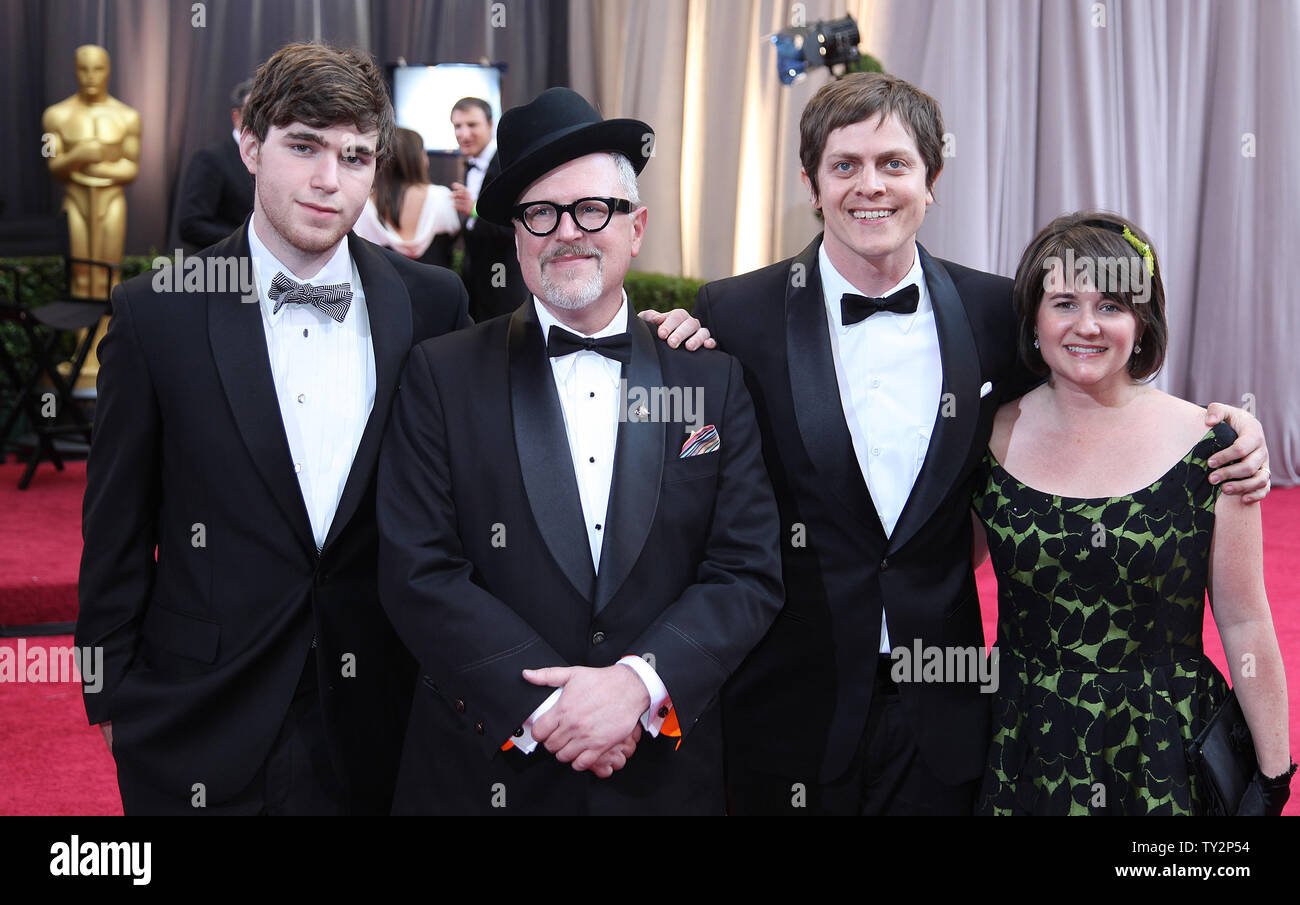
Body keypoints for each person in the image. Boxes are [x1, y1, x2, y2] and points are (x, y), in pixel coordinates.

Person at [689, 72, 1272, 815]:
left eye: (894, 164)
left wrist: (1230, 427)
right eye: (846, 165)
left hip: (952, 708)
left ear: (931, 180)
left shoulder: (998, 310)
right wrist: (657, 342)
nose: (871, 186)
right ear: (812, 183)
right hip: (792, 706)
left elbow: (1099, 386)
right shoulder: (734, 312)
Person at [76, 42, 470, 815]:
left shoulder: (433, 305)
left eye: (355, 156)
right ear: (251, 146)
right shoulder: (156, 312)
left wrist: (670, 338)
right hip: (198, 720)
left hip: (377, 723)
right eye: (304, 146)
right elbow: (114, 531)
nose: (331, 180)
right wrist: (112, 701)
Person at [376, 87, 784, 815]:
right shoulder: (439, 373)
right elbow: (418, 570)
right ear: (517, 235)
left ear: (637, 227)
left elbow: (747, 569)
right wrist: (554, 711)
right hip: (486, 768)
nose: (568, 232)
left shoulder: (712, 379)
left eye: (593, 208)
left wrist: (635, 686)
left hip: (663, 775)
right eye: (542, 213)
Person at [971, 211, 1293, 815]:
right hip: (1021, 743)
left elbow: (1246, 619)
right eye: (1064, 302)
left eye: (1112, 306)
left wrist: (1274, 775)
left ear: (1142, 323)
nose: (1087, 326)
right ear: (1034, 321)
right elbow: (940, 574)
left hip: (1162, 748)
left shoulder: (1214, 447)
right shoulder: (983, 439)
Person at [448, 96, 531, 320]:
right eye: (457, 126)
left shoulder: (508, 164)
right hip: (476, 291)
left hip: (504, 287)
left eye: (471, 125)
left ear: (491, 125)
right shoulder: (471, 166)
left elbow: (518, 225)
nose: (463, 134)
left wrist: (474, 209)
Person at [352, 126, 459, 266]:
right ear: (417, 158)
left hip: (382, 287)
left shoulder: (362, 206)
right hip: (438, 285)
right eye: (424, 153)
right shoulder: (442, 197)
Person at [177, 79, 256, 251]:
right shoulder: (211, 159)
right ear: (236, 117)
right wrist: (250, 240)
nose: (259, 120)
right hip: (222, 268)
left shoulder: (275, 161)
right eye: (252, 112)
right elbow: (191, 225)